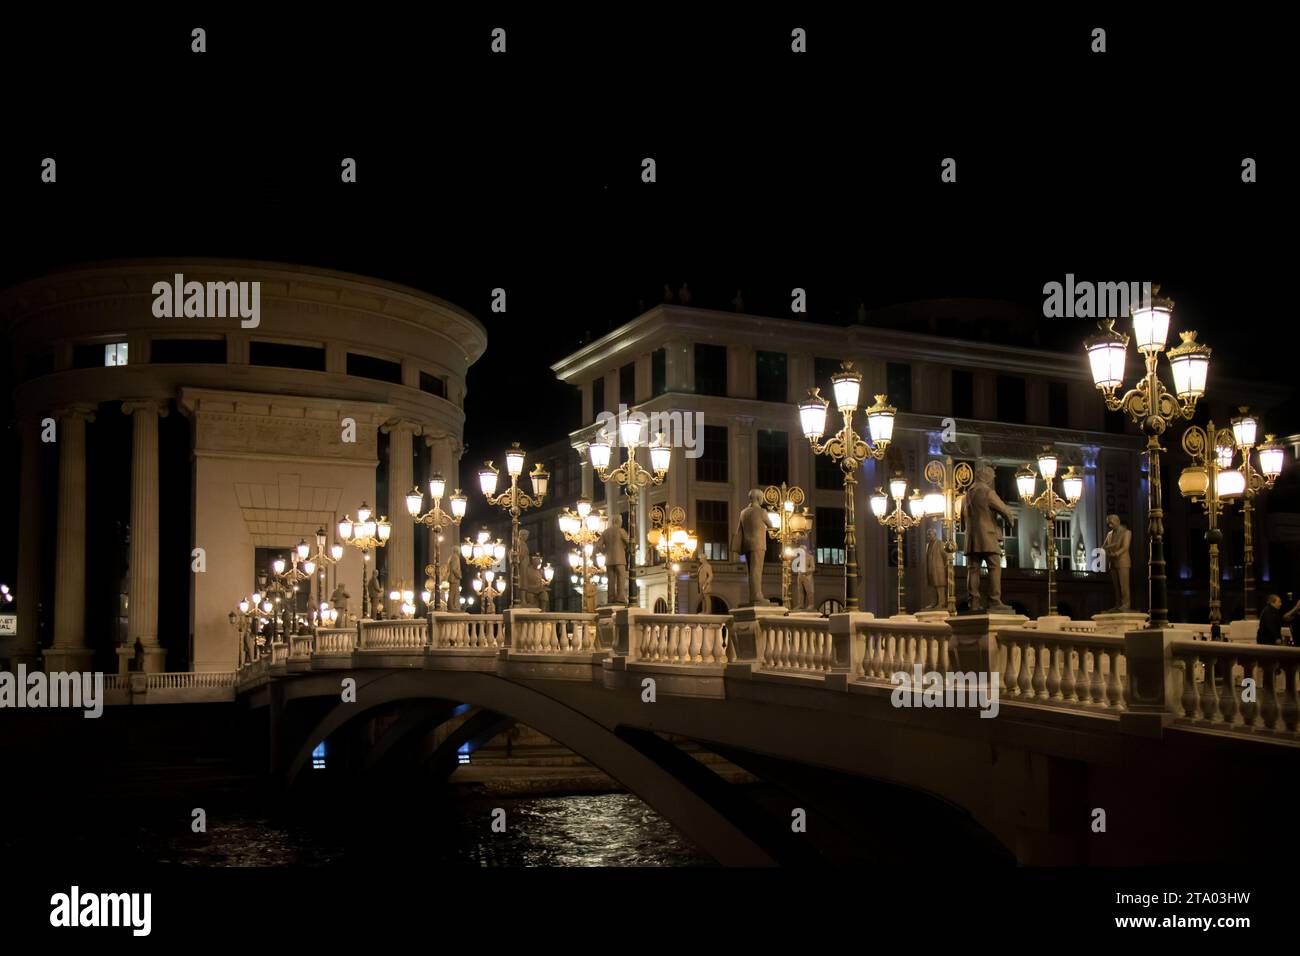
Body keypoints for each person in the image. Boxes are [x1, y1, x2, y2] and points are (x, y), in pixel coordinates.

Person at [963, 466, 1016, 612]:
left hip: (971, 538)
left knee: (973, 569)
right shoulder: (987, 492)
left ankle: (973, 602)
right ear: (986, 477)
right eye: (991, 478)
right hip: (987, 536)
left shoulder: (967, 494)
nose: (992, 481)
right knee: (994, 566)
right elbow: (1004, 509)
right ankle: (994, 600)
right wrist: (1010, 520)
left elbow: (962, 518)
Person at [733, 489, 769, 606]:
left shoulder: (743, 512)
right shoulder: (762, 512)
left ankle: (753, 596)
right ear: (759, 498)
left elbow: (740, 529)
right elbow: (772, 525)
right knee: (757, 571)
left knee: (751, 572)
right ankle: (757, 595)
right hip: (758, 544)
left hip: (747, 544)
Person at [1102, 514, 1132, 611]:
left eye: (1111, 523)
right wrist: (1108, 552)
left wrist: (1116, 553)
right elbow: (1104, 546)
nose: (1110, 526)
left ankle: (1126, 604)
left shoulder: (1126, 532)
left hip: (1123, 561)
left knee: (1124, 584)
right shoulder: (1109, 534)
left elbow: (1125, 547)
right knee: (1116, 586)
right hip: (1112, 562)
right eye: (1109, 524)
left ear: (1118, 521)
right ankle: (1118, 604)